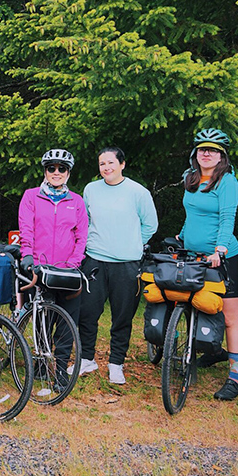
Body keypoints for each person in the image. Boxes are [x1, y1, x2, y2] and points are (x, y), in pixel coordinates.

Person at [78, 147, 158, 385]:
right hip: (94, 260)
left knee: (122, 316)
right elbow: (86, 221)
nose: (106, 168)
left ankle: (116, 363)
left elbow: (150, 225)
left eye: (111, 163)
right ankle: (86, 358)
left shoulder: (138, 192)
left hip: (127, 264)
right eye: (102, 163)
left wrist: (132, 243)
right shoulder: (90, 190)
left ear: (122, 164)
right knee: (87, 312)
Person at [177, 129, 238, 401]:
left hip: (222, 257)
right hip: (193, 255)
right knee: (196, 306)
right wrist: (182, 235)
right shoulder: (190, 179)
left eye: (214, 150)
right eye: (203, 149)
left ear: (222, 156)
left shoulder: (227, 183)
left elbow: (227, 219)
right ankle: (211, 351)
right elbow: (191, 214)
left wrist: (221, 249)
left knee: (230, 317)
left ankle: (235, 377)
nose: (207, 153)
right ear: (196, 154)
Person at [17, 149, 88, 394]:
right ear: (45, 171)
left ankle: (60, 372)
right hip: (39, 268)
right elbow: (26, 228)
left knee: (67, 323)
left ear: (68, 172)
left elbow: (82, 235)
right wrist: (28, 255)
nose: (56, 173)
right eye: (52, 168)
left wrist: (74, 262)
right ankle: (39, 362)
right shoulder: (30, 196)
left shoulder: (76, 201)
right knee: (41, 319)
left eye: (62, 169)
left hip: (68, 270)